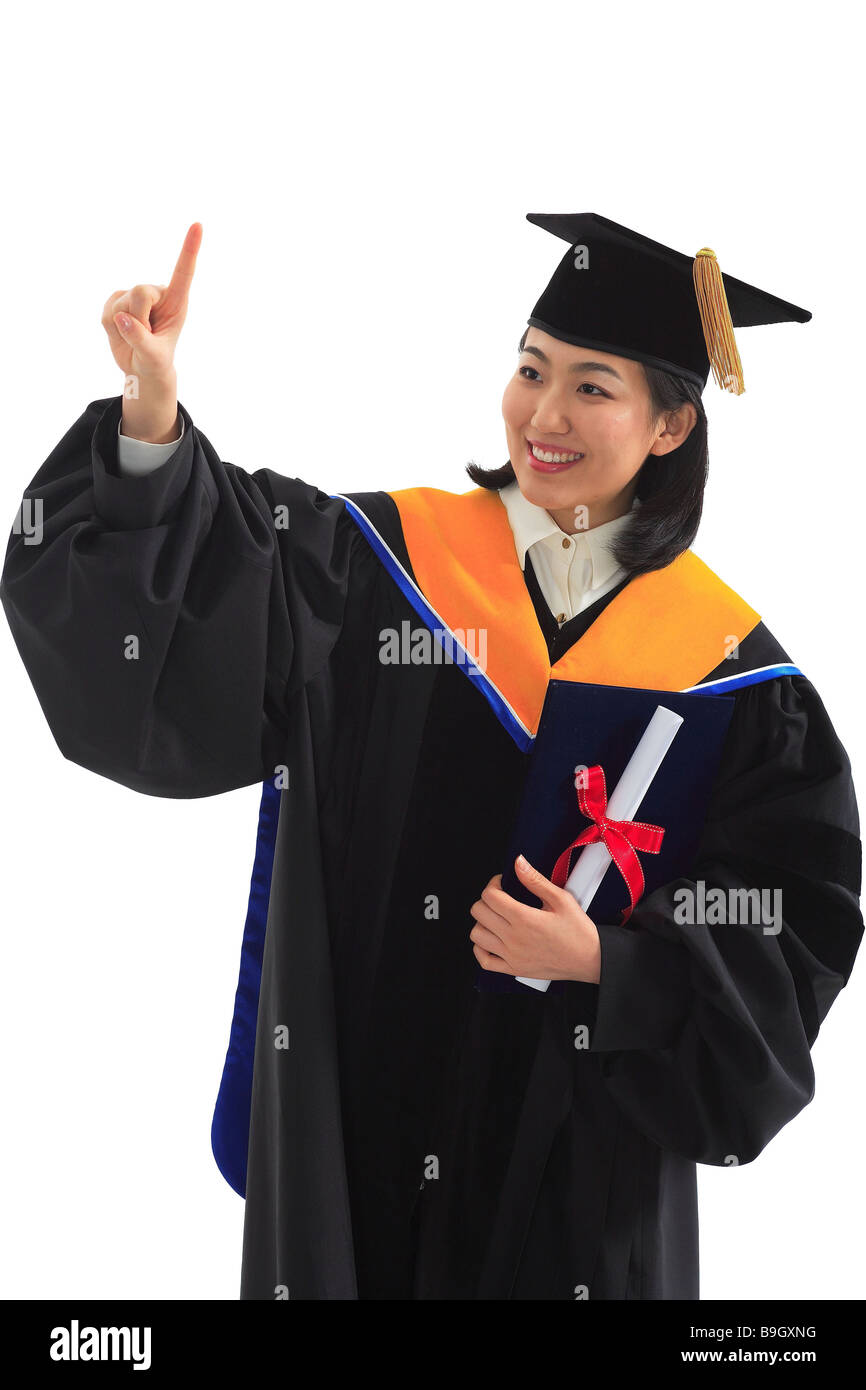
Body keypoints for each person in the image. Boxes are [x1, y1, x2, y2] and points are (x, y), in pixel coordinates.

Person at [1, 214, 861, 1301]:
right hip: (361, 1144)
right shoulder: (381, 567)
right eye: (530, 369)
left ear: (669, 425)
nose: (542, 415)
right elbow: (200, 600)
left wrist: (612, 961)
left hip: (581, 1190)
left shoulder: (736, 683)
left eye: (592, 388)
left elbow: (788, 933)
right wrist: (152, 418)